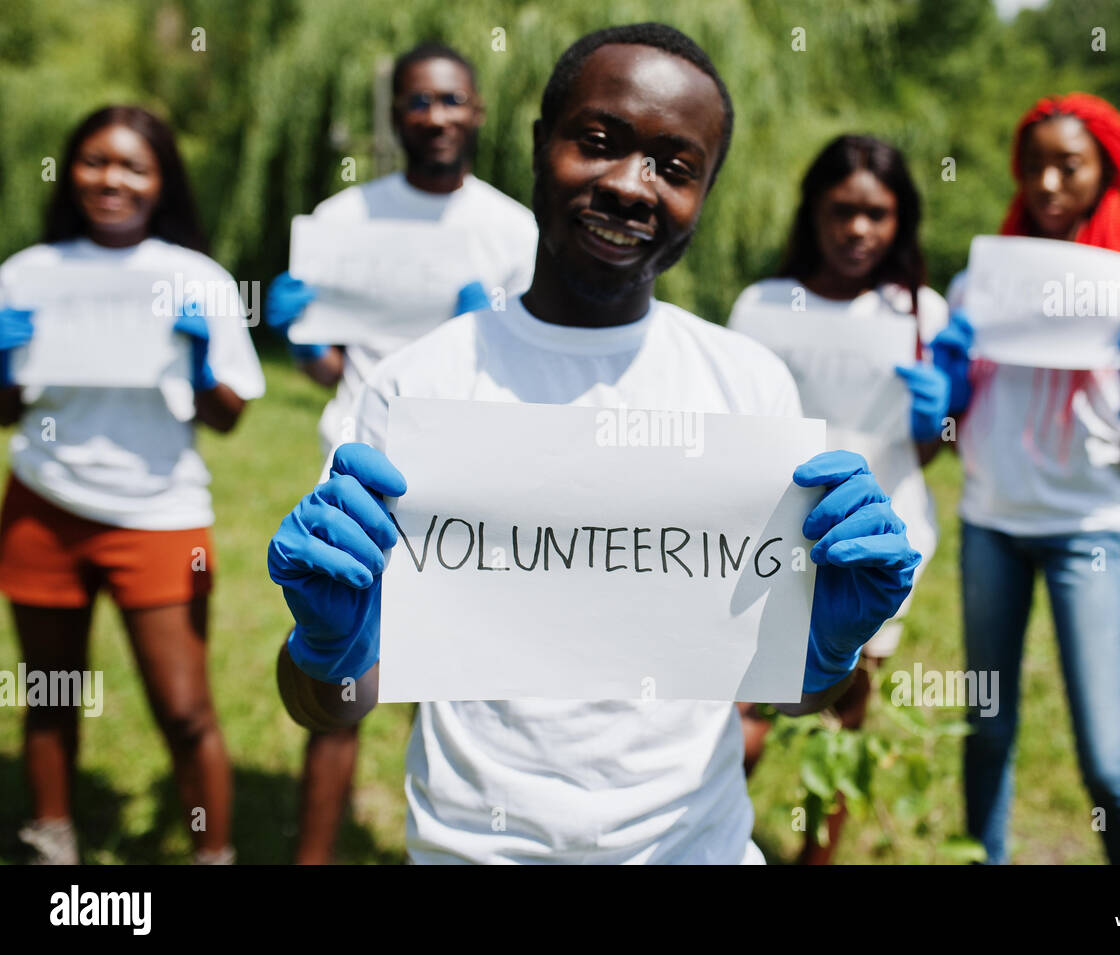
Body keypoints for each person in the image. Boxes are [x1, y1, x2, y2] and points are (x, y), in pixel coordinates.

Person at [267, 22, 921, 864]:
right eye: (599, 142)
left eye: (675, 167)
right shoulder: (418, 386)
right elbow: (329, 706)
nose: (630, 185)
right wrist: (328, 647)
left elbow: (792, 694)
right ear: (541, 144)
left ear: (706, 191)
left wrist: (827, 649)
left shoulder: (747, 386)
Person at [263, 41, 538, 864]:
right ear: (397, 115)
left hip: (469, 470)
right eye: (418, 102)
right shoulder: (346, 220)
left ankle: (447, 841)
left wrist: (478, 332)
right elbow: (328, 363)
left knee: (451, 680)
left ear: (478, 111)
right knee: (346, 665)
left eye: (452, 100)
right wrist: (300, 330)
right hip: (362, 461)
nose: (436, 116)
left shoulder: (512, 227)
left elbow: (529, 372)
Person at [0, 106, 265, 864]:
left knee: (184, 709)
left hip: (158, 515)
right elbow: (5, 410)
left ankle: (212, 851)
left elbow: (228, 418)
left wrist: (200, 363)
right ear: (70, 170)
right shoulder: (27, 274)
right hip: (43, 503)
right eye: (93, 161)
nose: (110, 179)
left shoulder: (195, 279)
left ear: (161, 182)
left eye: (132, 166)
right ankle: (52, 837)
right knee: (50, 694)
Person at [933, 93, 1120, 864]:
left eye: (1067, 166)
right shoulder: (981, 285)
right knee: (988, 728)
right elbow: (943, 436)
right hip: (992, 525)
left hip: (1086, 534)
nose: (1046, 183)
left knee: (1108, 759)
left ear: (1104, 171)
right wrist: (947, 391)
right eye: (1032, 165)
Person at [727, 134, 949, 864]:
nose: (859, 230)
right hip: (771, 539)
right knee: (744, 710)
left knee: (845, 717)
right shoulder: (761, 305)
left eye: (878, 214)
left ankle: (816, 857)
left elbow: (925, 449)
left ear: (900, 220)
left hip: (881, 542)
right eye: (842, 210)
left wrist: (937, 421)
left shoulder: (922, 311)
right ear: (813, 212)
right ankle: (703, 833)